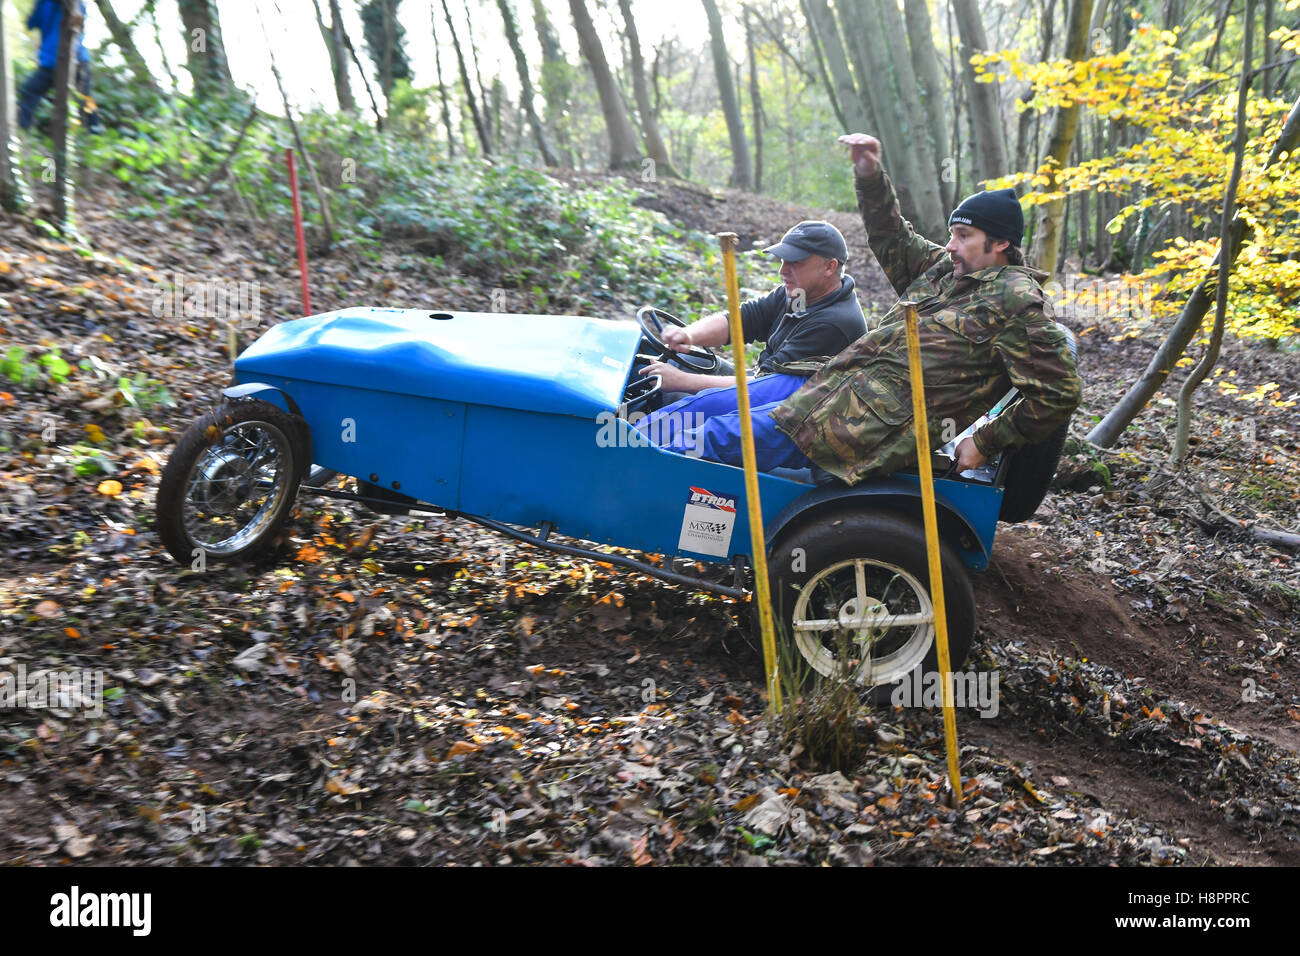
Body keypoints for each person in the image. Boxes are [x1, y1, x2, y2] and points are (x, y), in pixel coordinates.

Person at [642, 132, 1082, 482]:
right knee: (697, 415)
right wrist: (870, 176)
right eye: (952, 233)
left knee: (714, 438)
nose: (950, 244)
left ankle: (619, 488)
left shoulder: (1017, 303)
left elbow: (1059, 393)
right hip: (828, 393)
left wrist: (986, 440)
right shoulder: (947, 271)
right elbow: (892, 236)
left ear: (1001, 243)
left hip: (861, 430)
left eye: (964, 236)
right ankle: (611, 447)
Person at [640, 219, 867, 395]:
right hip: (761, 386)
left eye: (795, 262)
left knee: (677, 393)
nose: (783, 271)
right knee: (685, 360)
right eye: (782, 261)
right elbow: (742, 320)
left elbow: (767, 389)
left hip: (784, 416)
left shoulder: (834, 324)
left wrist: (683, 382)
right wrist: (688, 335)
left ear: (829, 267)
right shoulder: (800, 292)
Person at [18, 0, 100, 134]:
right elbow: (31, 23)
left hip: (76, 60)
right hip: (49, 63)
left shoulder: (73, 3)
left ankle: (95, 130)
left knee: (86, 98)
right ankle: (22, 132)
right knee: (29, 92)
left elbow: (79, 20)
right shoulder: (43, 3)